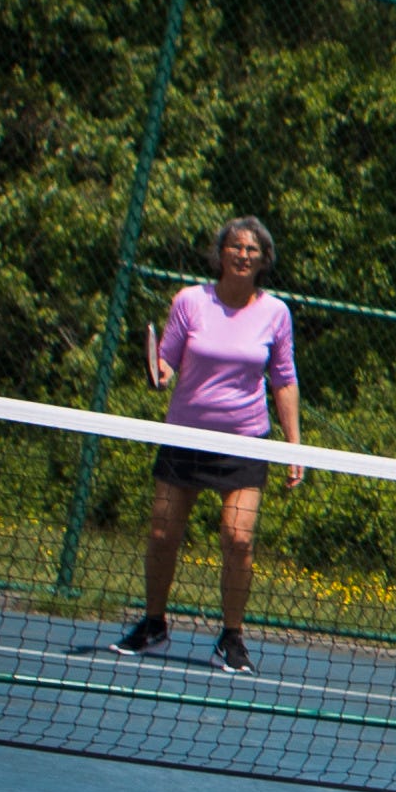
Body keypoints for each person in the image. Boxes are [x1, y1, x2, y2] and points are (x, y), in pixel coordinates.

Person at [121, 215, 303, 673]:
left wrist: (294, 445)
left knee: (238, 539)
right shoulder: (189, 301)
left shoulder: (275, 314)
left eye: (252, 250)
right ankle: (154, 623)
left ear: (263, 261)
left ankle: (232, 636)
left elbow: (283, 380)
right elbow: (166, 359)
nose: (243, 255)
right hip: (184, 435)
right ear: (220, 253)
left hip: (245, 442)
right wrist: (159, 373)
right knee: (163, 534)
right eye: (235, 247)